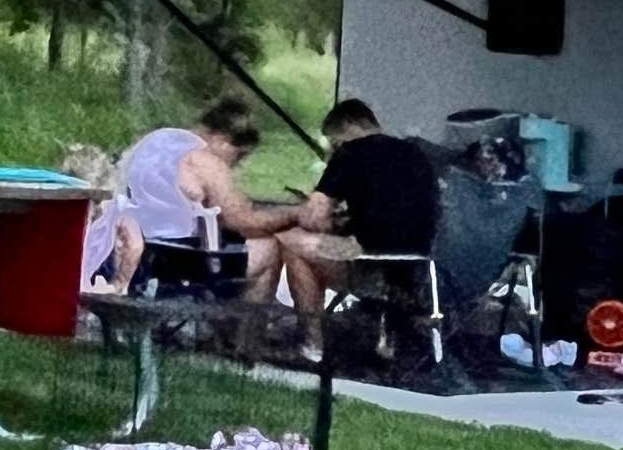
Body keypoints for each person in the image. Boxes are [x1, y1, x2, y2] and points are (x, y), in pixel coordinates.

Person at [176, 99, 318, 330]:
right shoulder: (207, 161)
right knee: (268, 246)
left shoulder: (163, 145)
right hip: (182, 261)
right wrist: (296, 214)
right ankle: (246, 338)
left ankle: (220, 327)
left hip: (149, 252)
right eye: (239, 155)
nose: (237, 164)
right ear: (222, 140)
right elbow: (243, 223)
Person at [291, 97, 441, 292]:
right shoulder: (416, 152)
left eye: (335, 141)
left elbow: (315, 213)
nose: (335, 147)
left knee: (292, 242)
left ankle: (309, 312)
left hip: (371, 255)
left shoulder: (350, 152)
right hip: (421, 255)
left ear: (348, 124)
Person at [61, 143, 145, 293]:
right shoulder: (114, 207)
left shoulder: (117, 209)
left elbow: (135, 244)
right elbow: (135, 244)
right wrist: (119, 284)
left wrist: (118, 284)